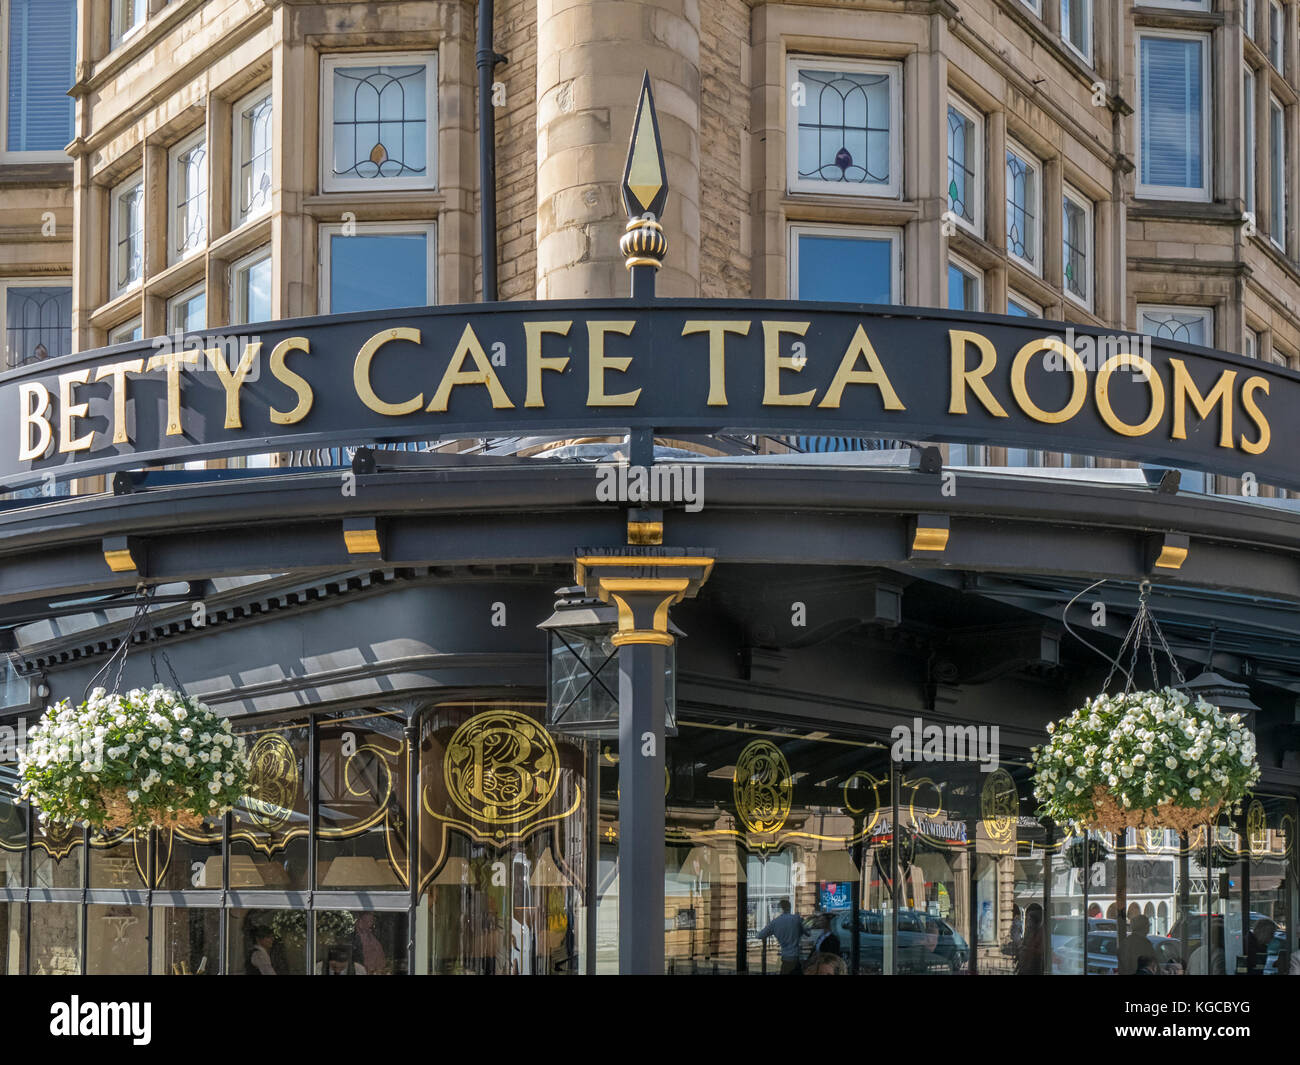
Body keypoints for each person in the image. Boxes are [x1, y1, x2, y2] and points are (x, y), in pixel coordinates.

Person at [758, 898, 808, 974]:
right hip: (797, 956)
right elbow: (808, 933)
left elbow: (760, 935)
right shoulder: (797, 919)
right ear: (789, 908)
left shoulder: (775, 922)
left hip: (786, 956)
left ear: (780, 909)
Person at [1016, 903, 1044, 975]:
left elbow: (1040, 951)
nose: (1027, 922)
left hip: (1034, 966)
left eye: (1029, 919)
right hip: (1026, 966)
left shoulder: (1041, 932)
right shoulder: (1029, 931)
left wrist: (1026, 948)